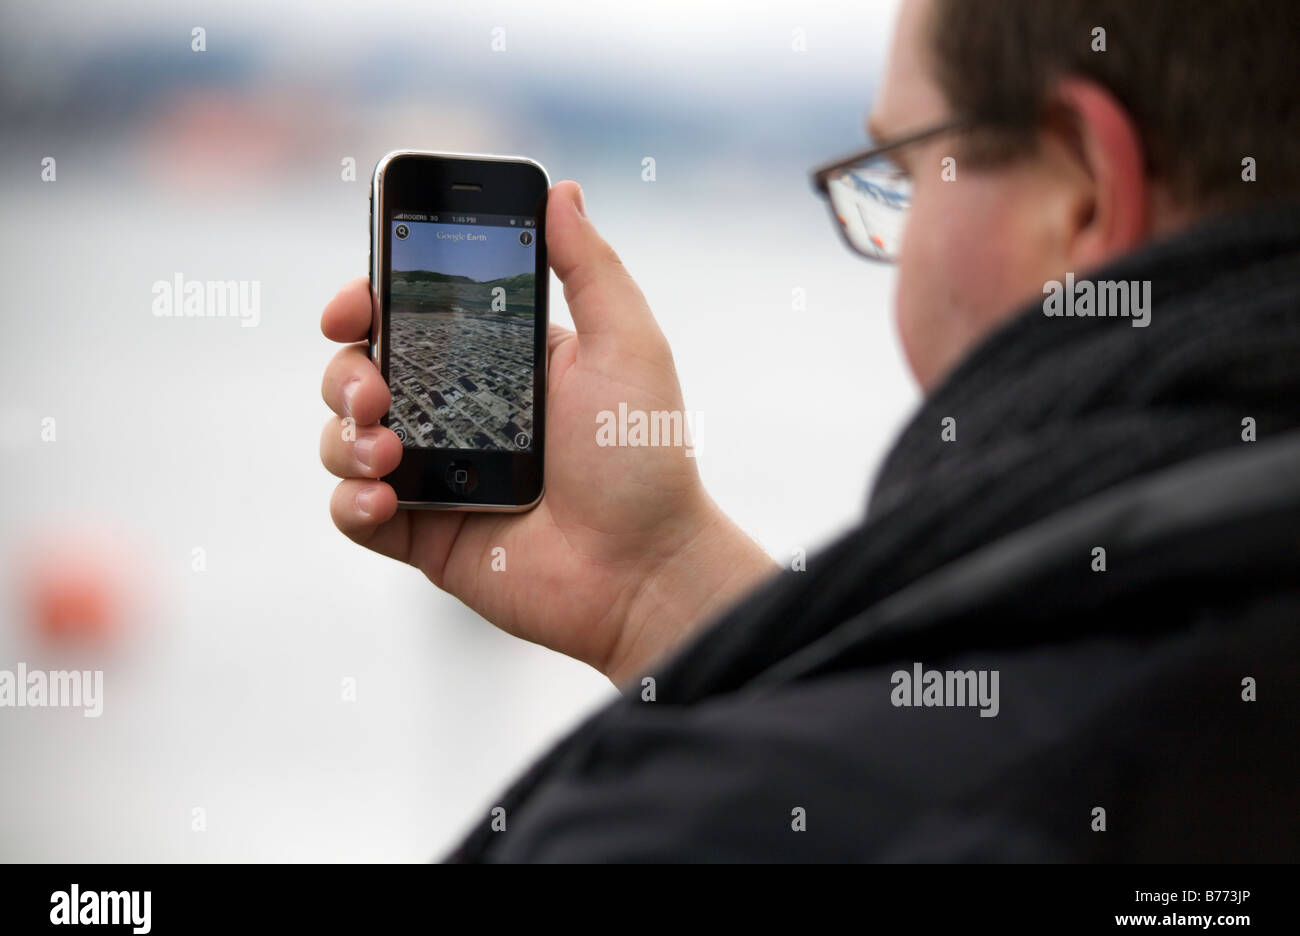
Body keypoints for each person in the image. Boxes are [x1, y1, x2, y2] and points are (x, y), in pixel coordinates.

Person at [319, 0, 1300, 861]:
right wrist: (656, 580)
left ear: (1079, 197)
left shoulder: (678, 837)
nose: (893, 248)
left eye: (906, 176)